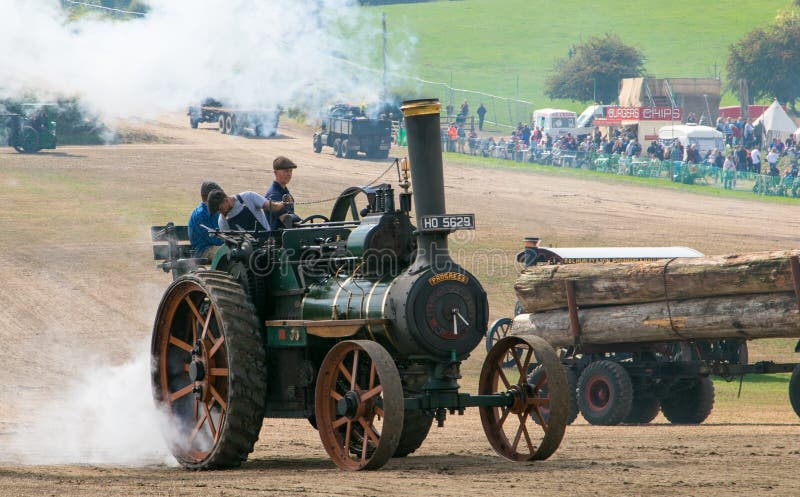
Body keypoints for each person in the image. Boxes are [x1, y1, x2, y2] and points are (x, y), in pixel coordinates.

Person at [207, 188, 286, 234]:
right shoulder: (222, 221)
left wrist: (284, 203)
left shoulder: (249, 197)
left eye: (220, 209)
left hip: (266, 242)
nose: (219, 213)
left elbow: (272, 206)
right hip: (246, 254)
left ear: (225, 200)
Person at [188, 181, 224, 258]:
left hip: (218, 246)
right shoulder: (200, 215)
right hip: (203, 250)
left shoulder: (216, 210)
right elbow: (212, 238)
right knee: (227, 253)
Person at [265, 156, 301, 229]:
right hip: (277, 237)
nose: (289, 174)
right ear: (275, 173)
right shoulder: (274, 195)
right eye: (286, 171)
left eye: (291, 171)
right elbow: (287, 222)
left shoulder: (284, 192)